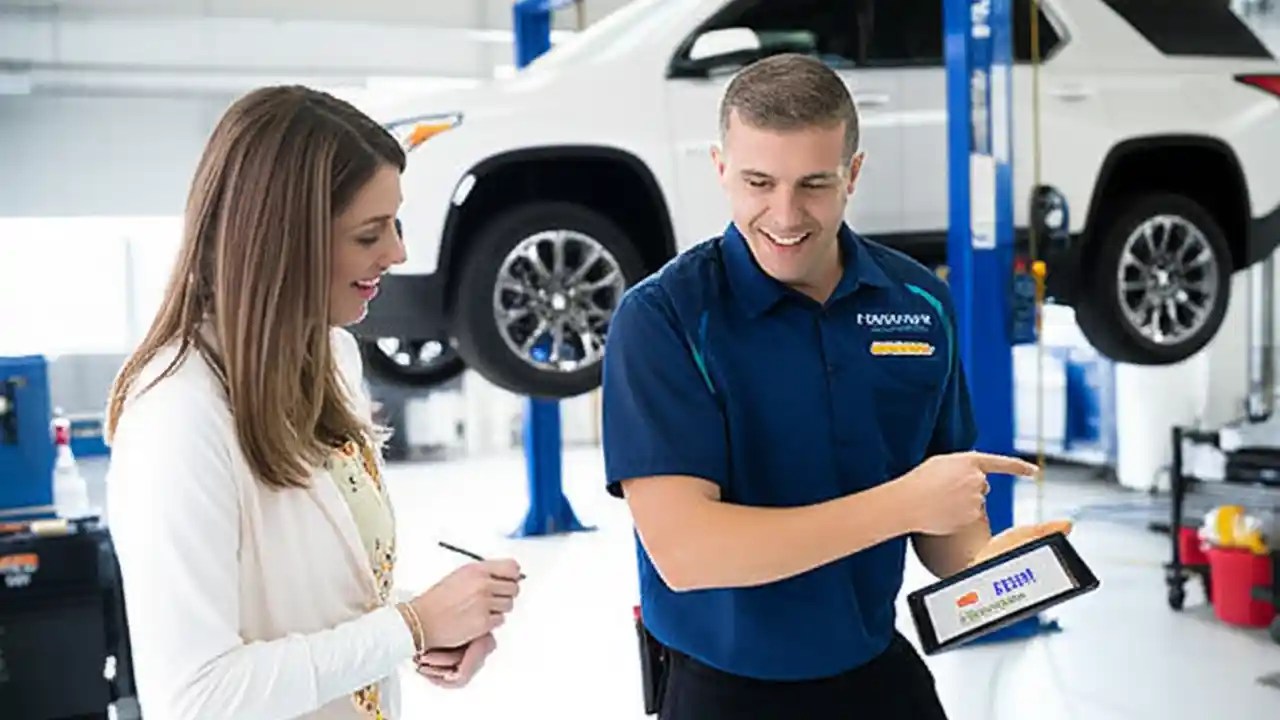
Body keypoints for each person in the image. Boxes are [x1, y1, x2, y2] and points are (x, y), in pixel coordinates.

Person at [600, 53, 1071, 719]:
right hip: (724, 691)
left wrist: (992, 566)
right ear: (720, 169)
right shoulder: (665, 318)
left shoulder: (918, 303)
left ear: (853, 173)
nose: (785, 214)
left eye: (814, 184)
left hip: (875, 673)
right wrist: (902, 506)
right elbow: (687, 552)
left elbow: (944, 526)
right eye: (759, 182)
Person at [104, 86, 522, 719]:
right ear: (280, 242)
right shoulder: (176, 418)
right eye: (369, 234)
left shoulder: (331, 357)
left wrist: (434, 622)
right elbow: (197, 697)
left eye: (395, 225)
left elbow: (313, 605)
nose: (398, 253)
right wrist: (409, 626)